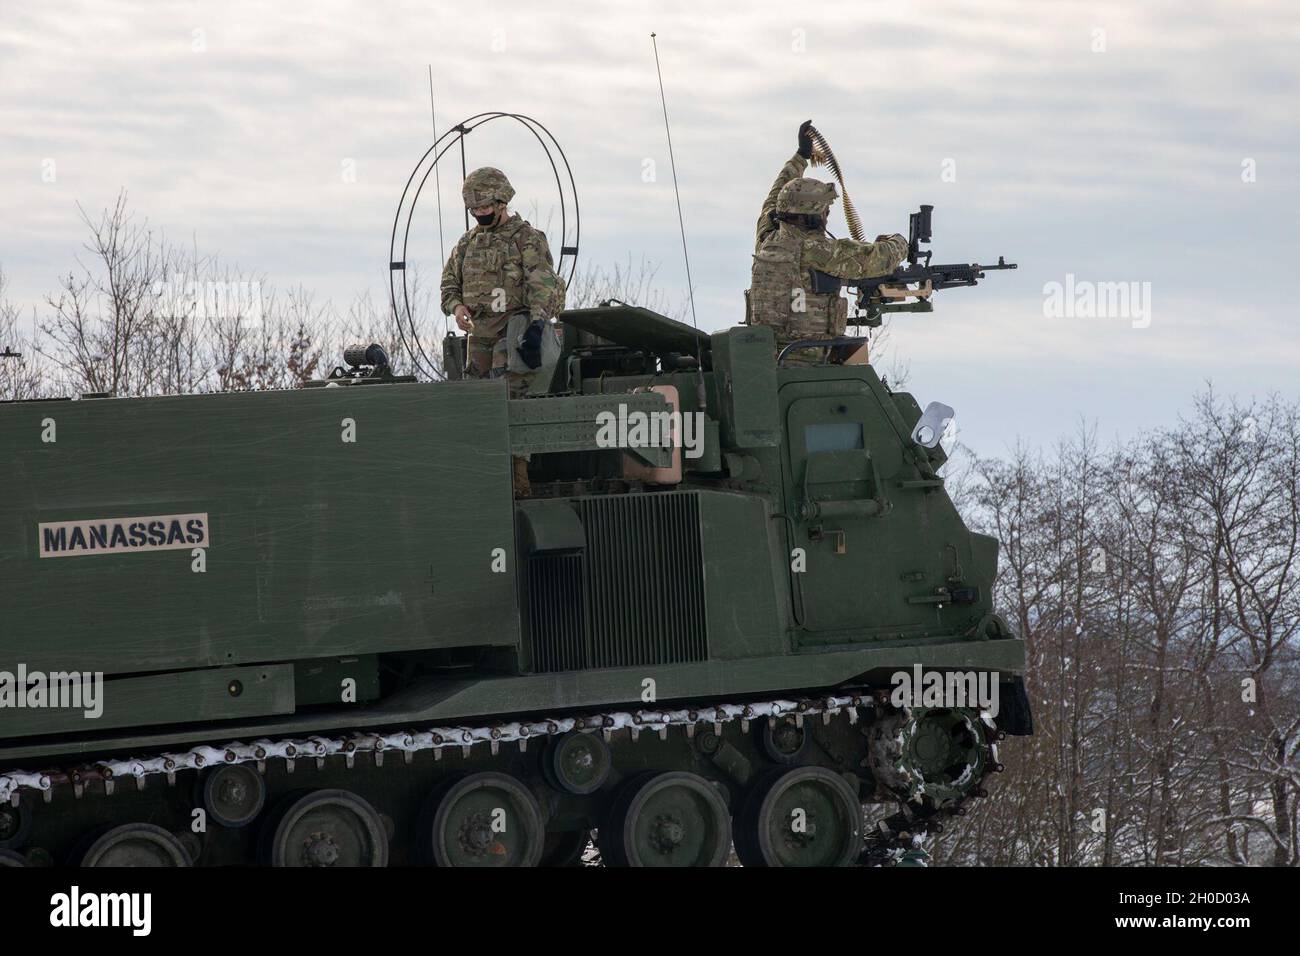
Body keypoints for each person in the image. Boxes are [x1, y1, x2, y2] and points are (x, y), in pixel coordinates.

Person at [440, 166, 565, 495]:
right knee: (477, 409)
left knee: (511, 405)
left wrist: (538, 325)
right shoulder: (468, 243)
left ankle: (518, 482)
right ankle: (481, 480)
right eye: (474, 210)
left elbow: (544, 284)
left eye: (484, 208)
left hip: (513, 332)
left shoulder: (526, 238)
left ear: (501, 201)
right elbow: (449, 284)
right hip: (478, 337)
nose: (480, 214)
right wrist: (457, 308)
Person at [746, 120, 908, 365]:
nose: (827, 215)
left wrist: (800, 157)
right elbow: (882, 257)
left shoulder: (767, 241)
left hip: (768, 361)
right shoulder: (819, 252)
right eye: (825, 210)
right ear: (814, 217)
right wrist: (900, 242)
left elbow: (774, 198)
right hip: (809, 363)